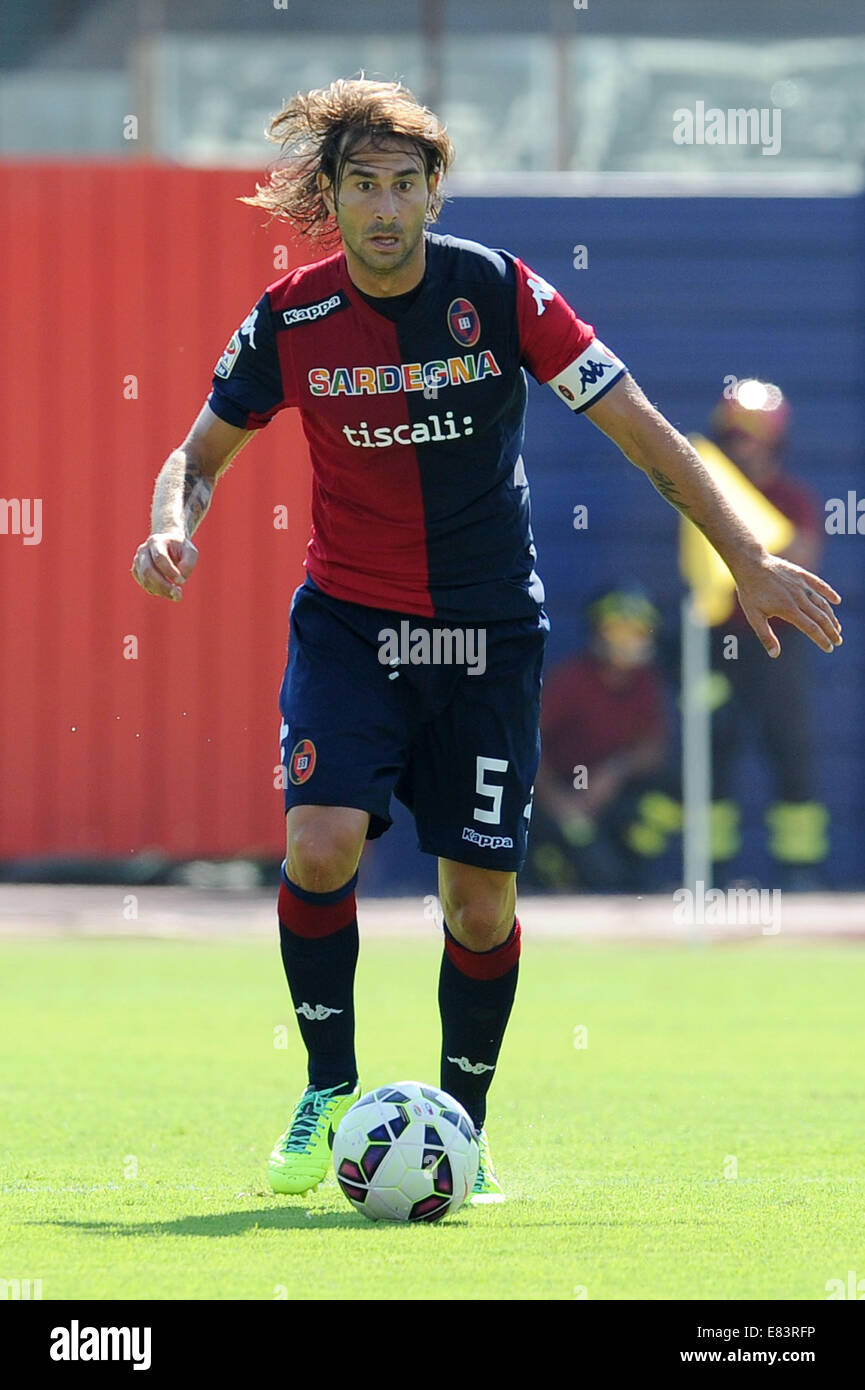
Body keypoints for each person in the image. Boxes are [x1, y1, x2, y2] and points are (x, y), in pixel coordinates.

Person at [131, 78, 842, 1205]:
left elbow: (644, 432)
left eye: (403, 185)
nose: (382, 207)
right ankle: (325, 1093)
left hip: (485, 634)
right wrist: (171, 524)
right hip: (352, 626)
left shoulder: (501, 294)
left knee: (479, 907)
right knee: (318, 845)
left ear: (430, 195)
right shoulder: (293, 319)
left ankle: (463, 1123)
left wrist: (744, 555)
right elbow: (197, 454)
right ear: (331, 197)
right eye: (361, 185)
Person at [708, 380, 829, 886]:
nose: (740, 448)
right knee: (715, 750)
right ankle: (712, 873)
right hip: (721, 644)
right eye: (732, 439)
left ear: (773, 441)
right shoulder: (710, 495)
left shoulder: (793, 499)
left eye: (749, 438)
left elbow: (802, 559)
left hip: (781, 644)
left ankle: (799, 872)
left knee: (791, 750)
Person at [528, 588, 681, 891]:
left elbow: (653, 748)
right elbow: (529, 743)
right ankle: (552, 874)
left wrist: (613, 772)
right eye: (617, 631)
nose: (626, 642)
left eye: (634, 632)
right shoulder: (571, 681)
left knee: (673, 788)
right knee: (591, 869)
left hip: (610, 800)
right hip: (556, 799)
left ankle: (633, 863)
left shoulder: (646, 684)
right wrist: (559, 801)